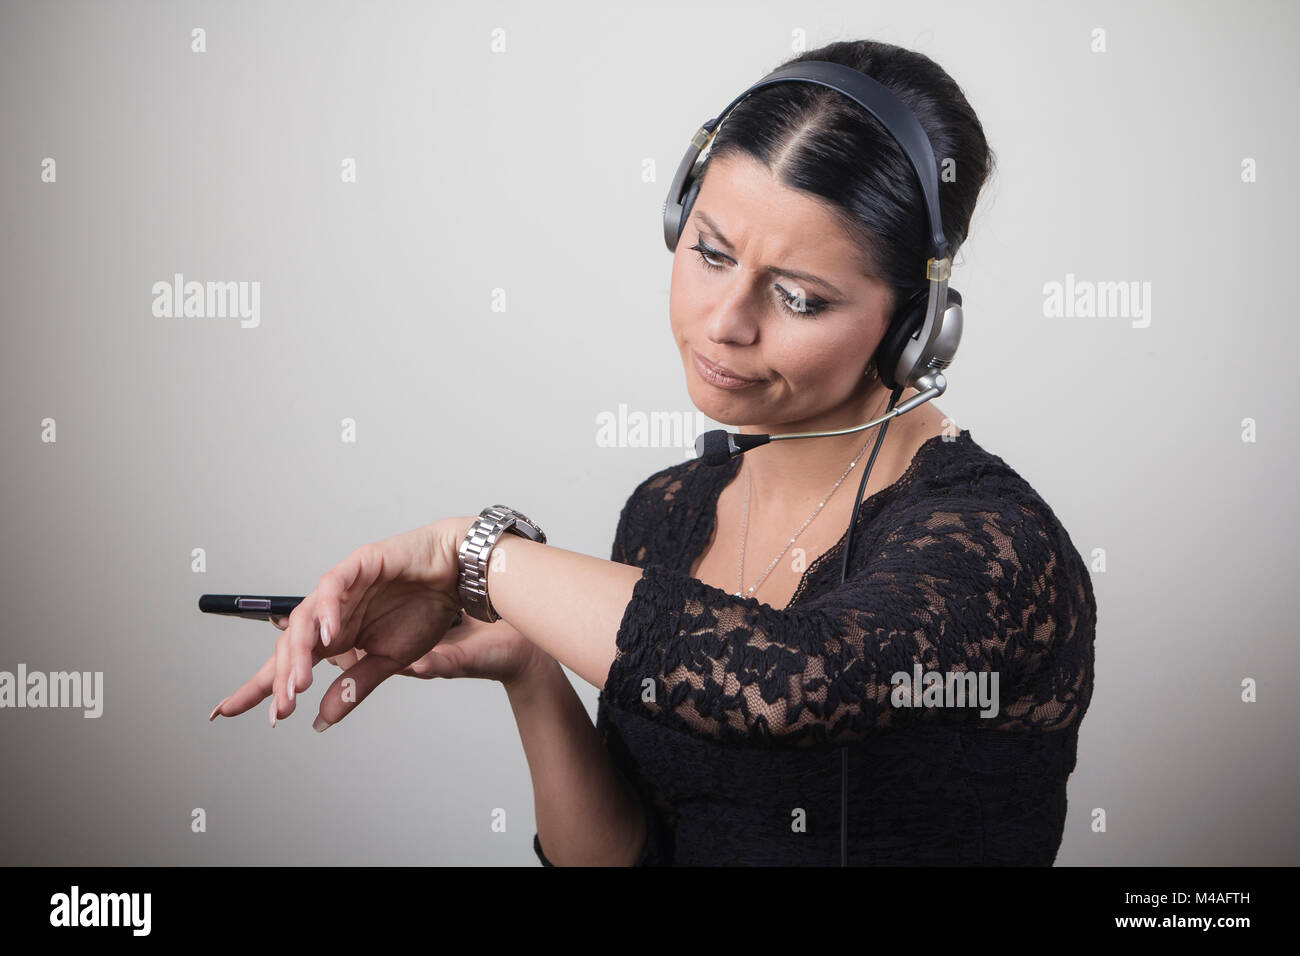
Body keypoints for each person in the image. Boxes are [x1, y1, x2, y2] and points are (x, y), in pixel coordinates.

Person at [208, 39, 1097, 866]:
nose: (726, 323)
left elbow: (790, 678)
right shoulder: (666, 512)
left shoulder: (995, 546)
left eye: (798, 298)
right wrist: (526, 659)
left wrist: (470, 553)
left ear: (916, 329)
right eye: (710, 253)